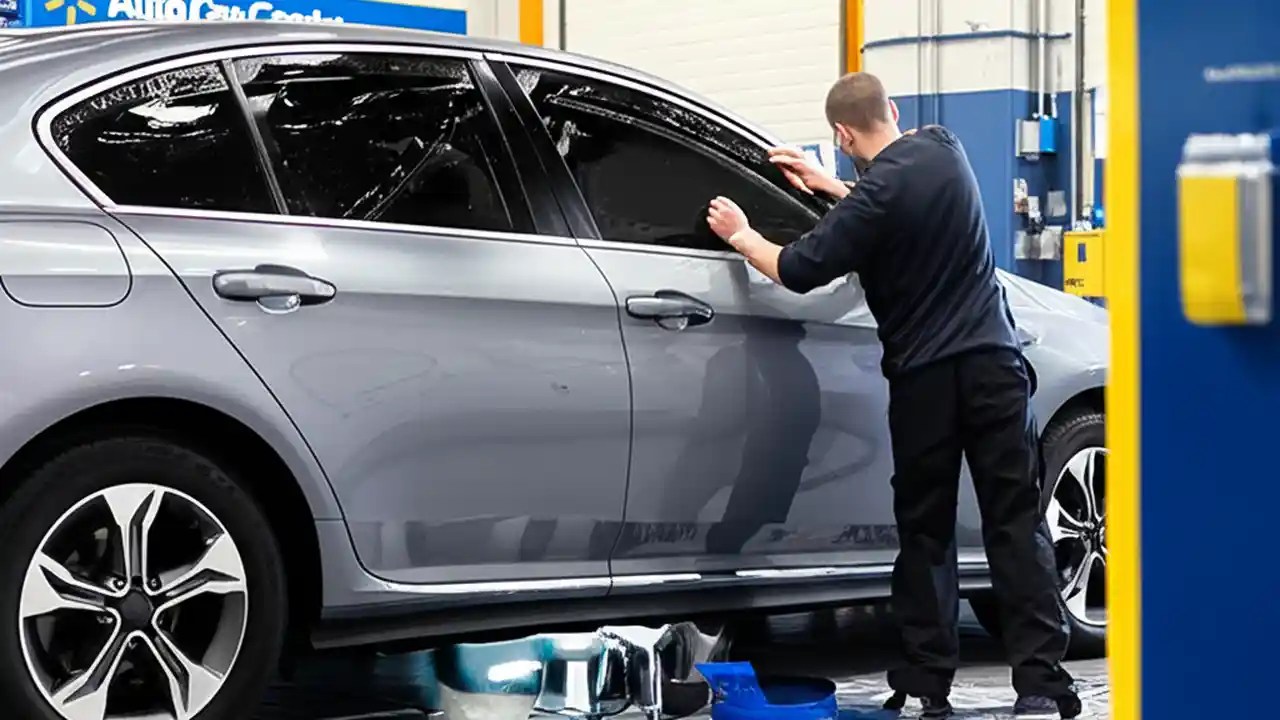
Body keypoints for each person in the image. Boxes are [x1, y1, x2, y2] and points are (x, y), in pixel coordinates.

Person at [704, 72, 1083, 720]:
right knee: (1015, 526)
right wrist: (829, 187)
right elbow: (890, 194)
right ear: (895, 112)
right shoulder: (944, 147)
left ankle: (926, 685)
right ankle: (1042, 687)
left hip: (927, 382)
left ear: (843, 135)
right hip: (995, 366)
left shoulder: (870, 202)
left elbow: (795, 267)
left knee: (926, 533)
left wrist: (740, 232)